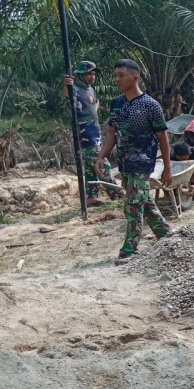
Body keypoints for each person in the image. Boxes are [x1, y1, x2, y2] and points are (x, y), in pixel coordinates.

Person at [96, 59, 173, 266]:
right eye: (115, 75)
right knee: (143, 202)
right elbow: (111, 132)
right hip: (125, 164)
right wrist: (102, 155)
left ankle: (129, 250)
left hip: (143, 162)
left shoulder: (150, 105)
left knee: (132, 205)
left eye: (121, 75)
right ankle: (166, 235)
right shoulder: (116, 103)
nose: (117, 79)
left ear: (135, 77)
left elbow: (162, 137)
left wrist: (167, 167)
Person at [63, 61, 124, 206]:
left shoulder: (90, 90)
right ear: (80, 75)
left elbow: (96, 102)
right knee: (102, 164)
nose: (92, 77)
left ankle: (91, 197)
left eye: (93, 74)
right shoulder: (75, 88)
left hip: (94, 134)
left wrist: (91, 113)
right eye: (89, 74)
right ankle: (118, 194)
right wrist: (67, 84)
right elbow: (67, 94)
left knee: (91, 169)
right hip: (86, 137)